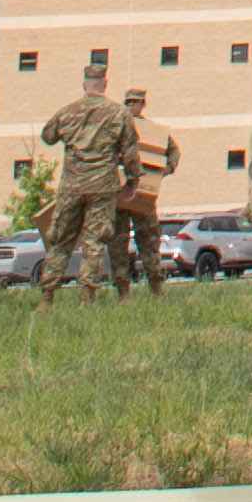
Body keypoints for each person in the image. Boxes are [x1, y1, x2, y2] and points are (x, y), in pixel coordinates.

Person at [33, 50, 140, 310]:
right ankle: (86, 299)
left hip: (71, 186)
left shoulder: (67, 112)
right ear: (104, 84)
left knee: (60, 240)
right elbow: (130, 152)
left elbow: (47, 136)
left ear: (84, 85)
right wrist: (132, 182)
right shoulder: (119, 114)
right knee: (94, 242)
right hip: (102, 186)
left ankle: (47, 298)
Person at [115, 117, 179, 292]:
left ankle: (156, 287)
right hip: (120, 194)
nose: (132, 106)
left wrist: (169, 167)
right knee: (118, 243)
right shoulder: (116, 127)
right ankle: (122, 290)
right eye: (129, 102)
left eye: (136, 102)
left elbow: (173, 151)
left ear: (142, 105)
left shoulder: (152, 131)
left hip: (144, 194)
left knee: (149, 242)